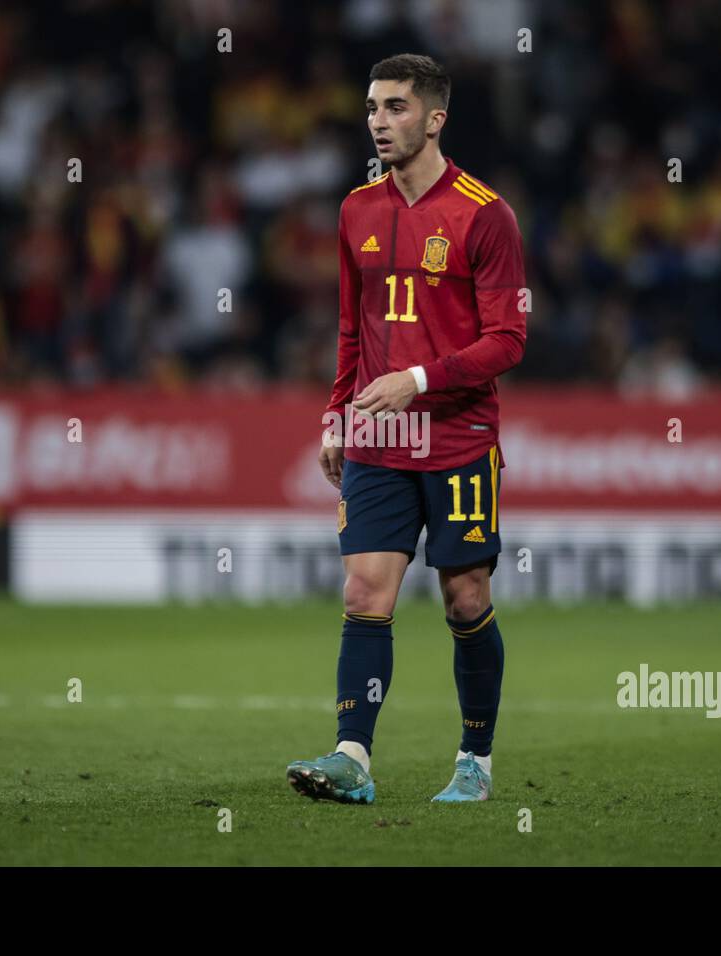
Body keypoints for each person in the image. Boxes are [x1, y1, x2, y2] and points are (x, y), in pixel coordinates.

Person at [286, 53, 527, 804]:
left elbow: (508, 340)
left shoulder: (485, 215)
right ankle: (352, 757)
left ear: (434, 119)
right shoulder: (356, 209)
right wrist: (337, 413)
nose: (379, 122)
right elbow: (350, 330)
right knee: (364, 593)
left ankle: (475, 763)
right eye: (371, 108)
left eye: (395, 108)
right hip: (377, 442)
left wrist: (417, 380)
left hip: (457, 438)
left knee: (464, 597)